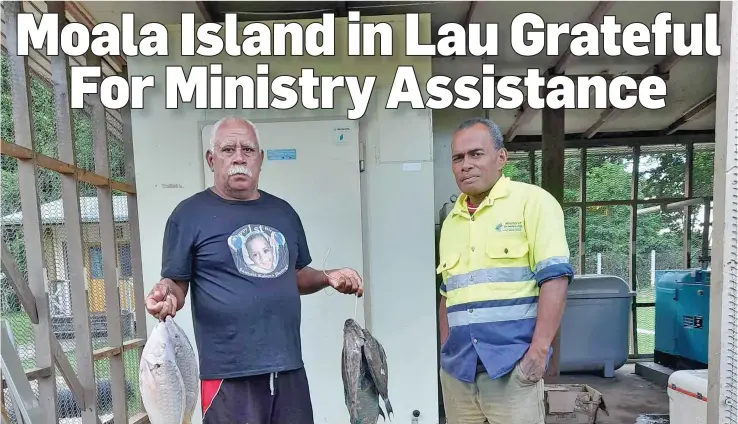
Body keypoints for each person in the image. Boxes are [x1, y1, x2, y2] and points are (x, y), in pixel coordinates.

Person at [144, 116, 363, 424]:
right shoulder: (188, 215)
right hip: (227, 377)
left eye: (248, 149)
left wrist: (329, 277)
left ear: (260, 159)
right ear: (211, 159)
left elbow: (296, 275)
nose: (239, 157)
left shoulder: (284, 213)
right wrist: (165, 294)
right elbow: (176, 283)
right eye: (228, 149)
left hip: (288, 370)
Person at [437, 117, 573, 424]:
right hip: (460, 373)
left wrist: (538, 353)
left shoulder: (532, 203)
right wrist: (446, 352)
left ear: (501, 158)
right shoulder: (452, 222)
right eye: (458, 158)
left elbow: (555, 279)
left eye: (476, 154)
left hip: (512, 369)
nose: (466, 165)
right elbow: (448, 293)